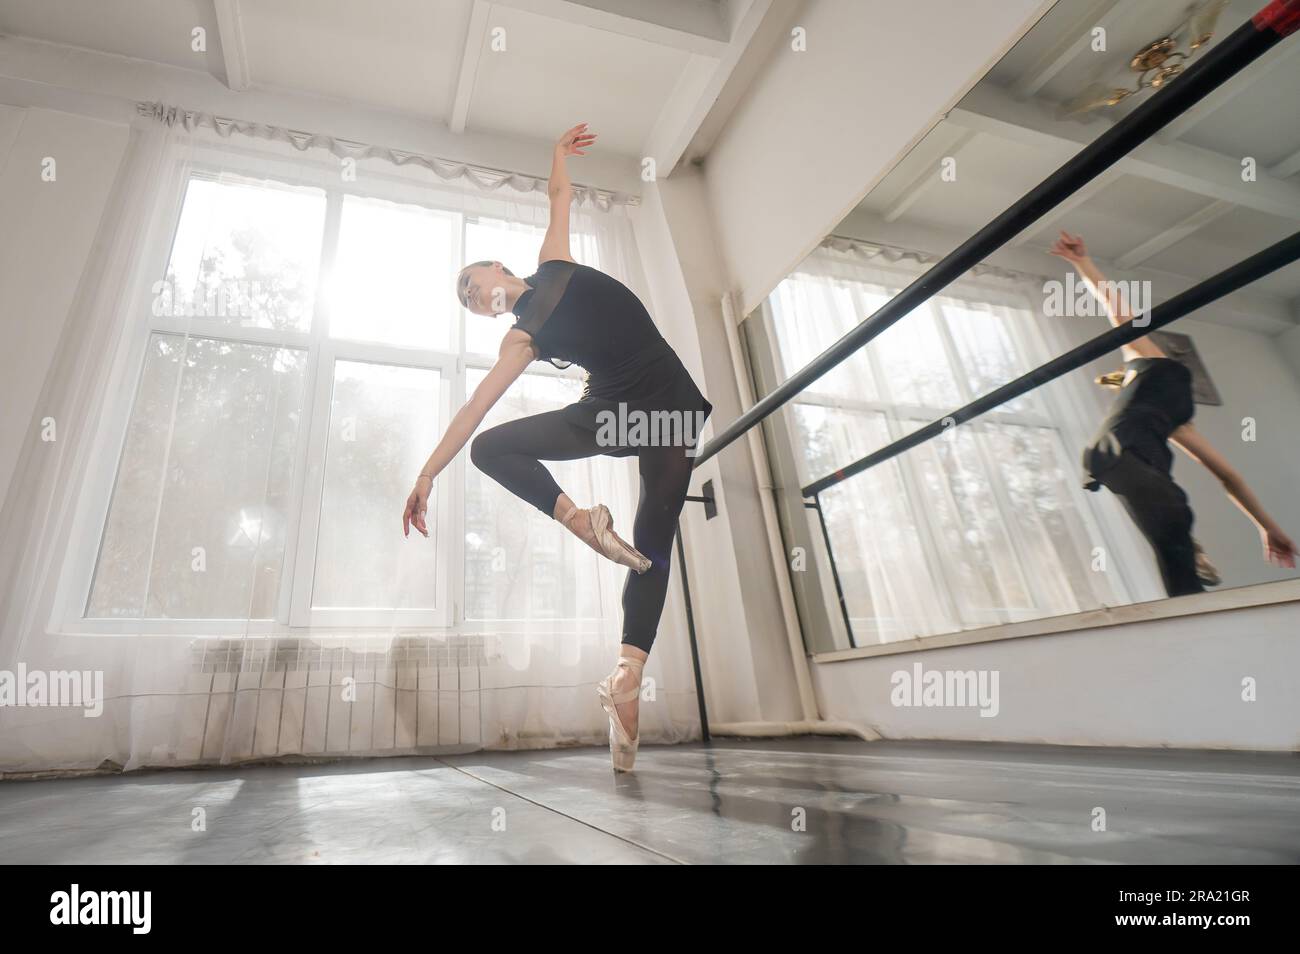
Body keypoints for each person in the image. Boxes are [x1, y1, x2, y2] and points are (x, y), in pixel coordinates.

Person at [403, 123, 712, 772]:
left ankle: (626, 682)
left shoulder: (552, 263)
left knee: (652, 544)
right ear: (488, 314)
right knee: (492, 447)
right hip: (611, 418)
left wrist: (556, 156)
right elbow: (474, 410)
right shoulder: (520, 338)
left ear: (496, 268)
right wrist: (428, 473)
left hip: (665, 411)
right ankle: (578, 520)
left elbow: (557, 199)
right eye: (469, 302)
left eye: (472, 282)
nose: (476, 296)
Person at [1049, 231, 1295, 596]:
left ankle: (1189, 574)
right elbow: (1116, 309)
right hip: (1118, 450)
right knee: (1176, 516)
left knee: (1171, 535)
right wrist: (1083, 263)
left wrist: (1266, 526)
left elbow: (1229, 477)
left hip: (1129, 464)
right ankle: (1188, 559)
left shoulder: (1179, 421)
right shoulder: (1144, 361)